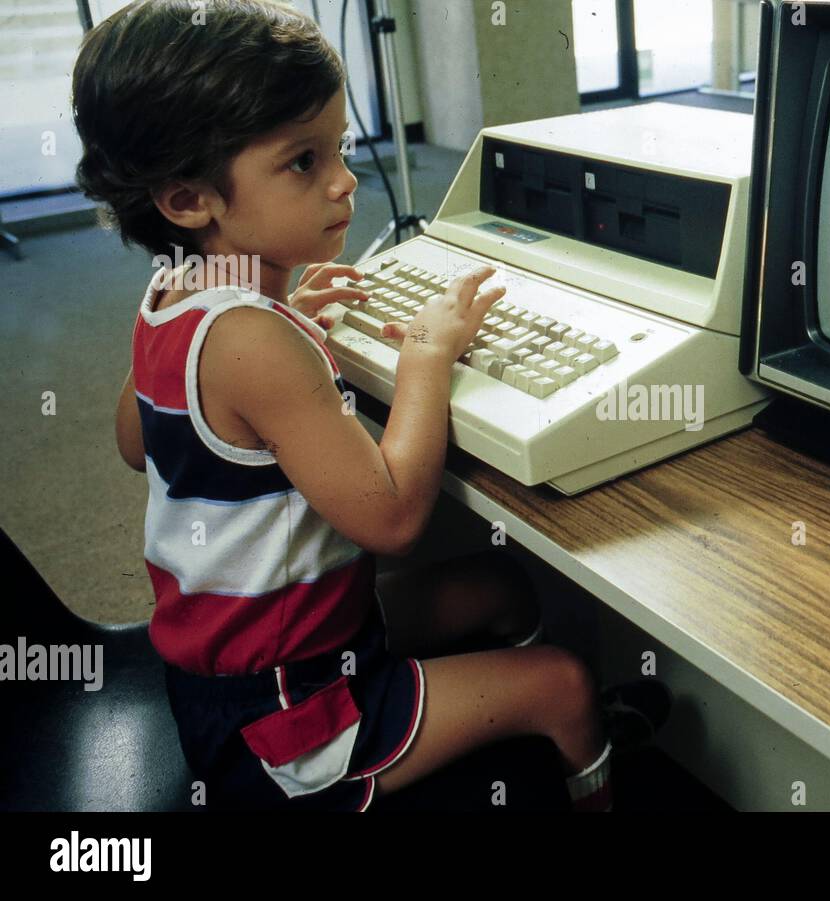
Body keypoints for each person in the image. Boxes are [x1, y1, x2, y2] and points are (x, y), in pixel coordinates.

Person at [74, 0, 666, 812]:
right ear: (186, 200)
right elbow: (390, 518)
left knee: (501, 581)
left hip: (227, 670)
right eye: (302, 163)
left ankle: (510, 748)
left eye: (341, 148)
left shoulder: (173, 294)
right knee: (562, 682)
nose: (345, 180)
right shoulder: (252, 343)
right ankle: (578, 763)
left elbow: (134, 440)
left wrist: (283, 322)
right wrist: (427, 354)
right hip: (288, 715)